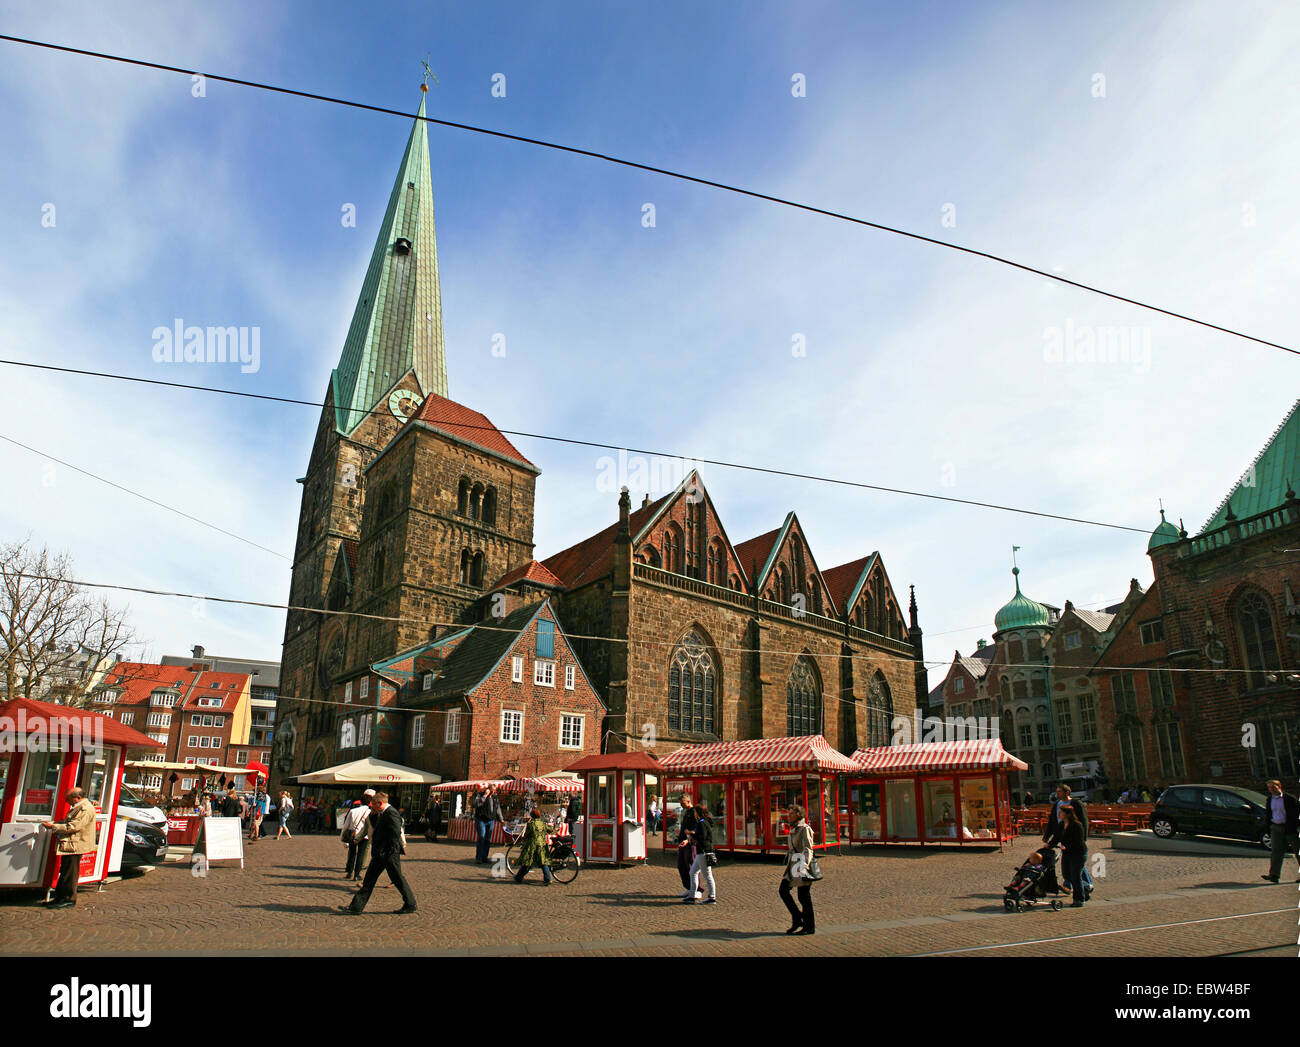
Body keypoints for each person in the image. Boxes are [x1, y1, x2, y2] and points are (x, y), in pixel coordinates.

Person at [343, 791, 417, 915]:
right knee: (369, 880)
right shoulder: (381, 813)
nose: (371, 807)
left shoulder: (391, 813)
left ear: (380, 803)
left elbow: (395, 833)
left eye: (373, 805)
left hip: (388, 853)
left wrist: (389, 851)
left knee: (397, 878)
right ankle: (356, 907)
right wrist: (373, 815)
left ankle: (410, 903)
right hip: (380, 853)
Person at [40, 787, 96, 909]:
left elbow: (74, 826)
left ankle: (69, 898)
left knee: (70, 872)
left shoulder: (84, 808)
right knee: (65, 871)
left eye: (68, 798)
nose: (66, 800)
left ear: (78, 797)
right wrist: (57, 823)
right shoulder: (80, 806)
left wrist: (54, 826)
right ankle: (60, 897)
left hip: (76, 844)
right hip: (72, 843)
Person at [1044, 783, 1092, 897]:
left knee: (1076, 864)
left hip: (1075, 838)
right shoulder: (1057, 804)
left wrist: (1083, 838)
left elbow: (1084, 821)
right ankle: (1073, 885)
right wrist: (1047, 837)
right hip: (1062, 835)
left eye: (1059, 791)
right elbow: (1052, 821)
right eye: (1057, 791)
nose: (1057, 794)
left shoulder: (1076, 804)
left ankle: (1084, 886)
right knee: (1071, 865)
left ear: (1067, 792)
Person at [779, 803, 816, 935]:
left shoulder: (804, 828)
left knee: (804, 896)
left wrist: (804, 866)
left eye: (791, 813)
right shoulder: (794, 828)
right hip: (793, 864)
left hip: (801, 864)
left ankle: (809, 926)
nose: (788, 816)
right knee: (783, 890)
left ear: (798, 815)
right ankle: (797, 918)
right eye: (788, 813)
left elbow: (808, 849)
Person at [1260, 779, 1300, 884]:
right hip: (1276, 827)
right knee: (1276, 852)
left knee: (1298, 851)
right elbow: (1269, 814)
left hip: (1290, 828)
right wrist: (1268, 827)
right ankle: (1274, 875)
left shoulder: (1290, 799)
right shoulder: (1269, 800)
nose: (1271, 789)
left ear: (1279, 786)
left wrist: (1294, 826)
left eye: (1273, 787)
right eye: (1269, 788)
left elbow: (1296, 814)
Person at [513, 806, 554, 885]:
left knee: (527, 862)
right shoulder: (543, 823)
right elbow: (550, 830)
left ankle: (519, 877)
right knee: (543, 862)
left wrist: (523, 839)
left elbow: (527, 835)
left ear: (532, 816)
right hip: (542, 845)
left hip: (532, 845)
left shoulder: (530, 824)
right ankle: (548, 878)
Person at [685, 803, 717, 904]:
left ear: (698, 812)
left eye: (695, 812)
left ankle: (712, 897)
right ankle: (692, 894)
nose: (694, 814)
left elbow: (701, 837)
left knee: (707, 875)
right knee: (693, 872)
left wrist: (691, 835)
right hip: (704, 851)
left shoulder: (702, 823)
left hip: (703, 852)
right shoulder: (705, 822)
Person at [342, 790, 375, 880]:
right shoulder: (370, 812)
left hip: (353, 834)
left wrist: (342, 837)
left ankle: (349, 872)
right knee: (361, 854)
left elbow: (346, 825)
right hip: (364, 836)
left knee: (352, 853)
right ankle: (357, 874)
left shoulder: (353, 811)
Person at [1058, 805, 1088, 906]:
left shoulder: (1077, 825)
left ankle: (1079, 900)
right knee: (1066, 874)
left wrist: (1067, 847)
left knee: (1075, 876)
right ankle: (1085, 888)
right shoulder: (1062, 824)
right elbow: (1056, 836)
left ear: (1067, 814)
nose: (1059, 814)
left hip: (1078, 853)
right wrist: (1049, 844)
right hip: (1067, 853)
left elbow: (1079, 841)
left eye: (1061, 812)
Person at [675, 796, 701, 900]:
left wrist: (688, 839)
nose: (681, 805)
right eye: (680, 803)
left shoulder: (694, 812)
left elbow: (696, 828)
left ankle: (697, 889)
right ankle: (689, 887)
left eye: (683, 803)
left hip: (690, 843)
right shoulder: (685, 812)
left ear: (688, 801)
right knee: (682, 865)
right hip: (682, 841)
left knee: (691, 865)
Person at [473, 786, 504, 864]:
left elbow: (498, 809)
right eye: (492, 790)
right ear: (488, 789)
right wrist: (485, 796)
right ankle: (479, 857)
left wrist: (501, 819)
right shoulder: (480, 795)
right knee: (482, 837)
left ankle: (485, 857)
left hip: (491, 820)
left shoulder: (495, 798)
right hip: (481, 819)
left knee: (487, 839)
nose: (493, 792)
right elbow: (477, 804)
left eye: (494, 790)